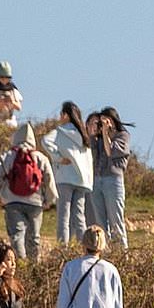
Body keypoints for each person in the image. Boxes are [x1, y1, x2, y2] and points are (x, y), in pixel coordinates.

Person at [0, 125, 56, 264]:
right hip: (35, 202)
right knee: (34, 237)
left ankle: (20, 265)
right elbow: (49, 180)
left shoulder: (7, 156)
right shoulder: (40, 157)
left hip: (12, 202)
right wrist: (49, 200)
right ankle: (34, 267)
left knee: (17, 235)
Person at [41, 102, 95, 246]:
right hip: (82, 180)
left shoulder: (60, 131)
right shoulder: (83, 135)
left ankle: (62, 247)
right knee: (79, 216)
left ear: (65, 115)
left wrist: (58, 157)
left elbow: (45, 141)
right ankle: (84, 246)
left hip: (65, 178)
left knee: (63, 215)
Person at [86, 108, 132, 249]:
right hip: (97, 180)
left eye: (107, 120)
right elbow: (90, 156)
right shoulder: (98, 139)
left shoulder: (122, 136)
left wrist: (106, 133)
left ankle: (122, 254)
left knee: (115, 220)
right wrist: (92, 134)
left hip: (113, 180)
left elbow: (111, 151)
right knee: (100, 221)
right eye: (101, 122)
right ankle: (104, 252)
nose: (104, 124)